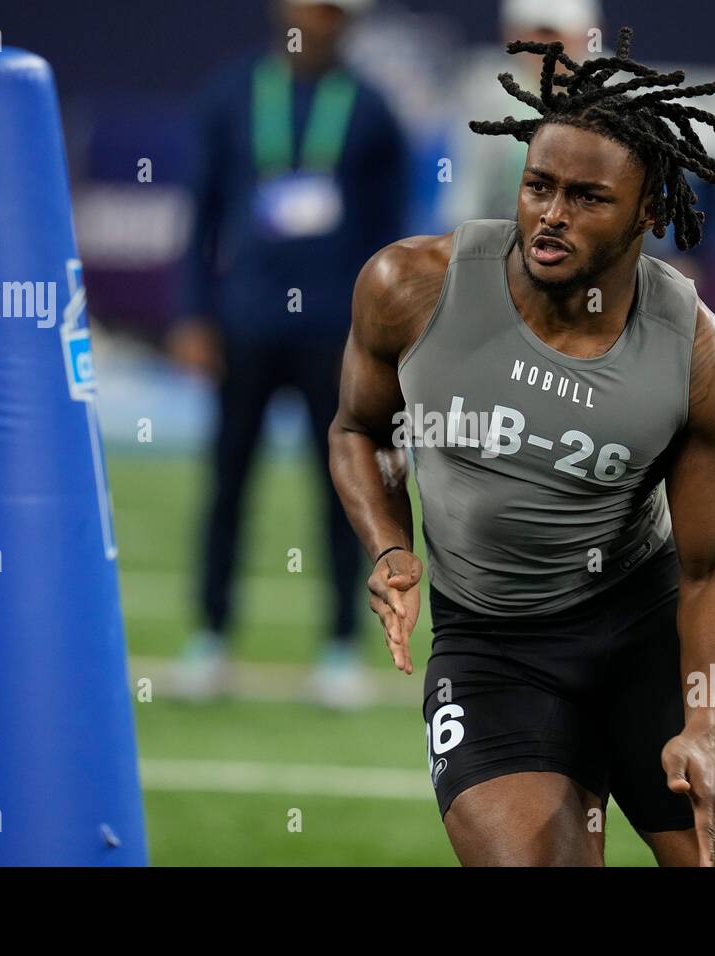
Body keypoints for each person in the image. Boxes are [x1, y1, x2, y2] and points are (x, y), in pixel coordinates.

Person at [329, 26, 715, 864]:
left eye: (587, 198)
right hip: (491, 648)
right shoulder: (409, 289)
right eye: (539, 187)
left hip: (645, 635)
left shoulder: (703, 361)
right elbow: (358, 430)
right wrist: (388, 545)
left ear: (649, 210)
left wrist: (705, 728)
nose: (552, 217)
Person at [169, 0, 410, 707]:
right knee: (227, 485)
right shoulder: (231, 95)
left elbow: (391, 239)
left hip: (339, 335)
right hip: (245, 323)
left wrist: (387, 336)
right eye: (314, 6)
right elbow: (201, 214)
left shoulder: (371, 110)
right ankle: (210, 638)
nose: (323, 20)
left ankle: (341, 645)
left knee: (346, 489)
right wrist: (192, 315)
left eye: (337, 12)